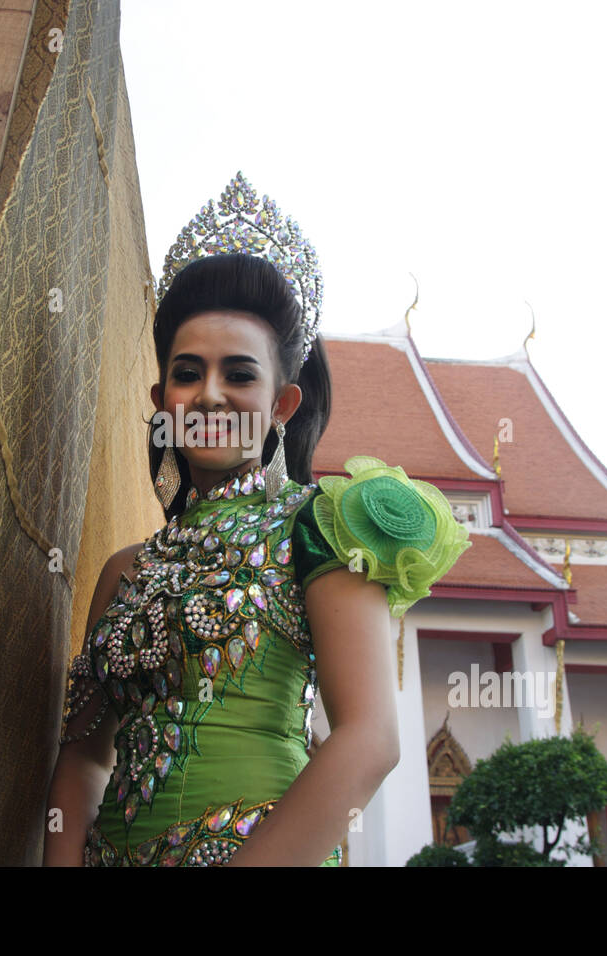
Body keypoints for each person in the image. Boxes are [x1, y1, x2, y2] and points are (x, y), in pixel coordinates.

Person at [43, 173, 471, 866]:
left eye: (239, 375)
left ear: (281, 404)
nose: (209, 394)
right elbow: (85, 756)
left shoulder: (319, 528)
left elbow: (369, 739)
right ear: (163, 400)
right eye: (187, 373)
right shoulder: (125, 571)